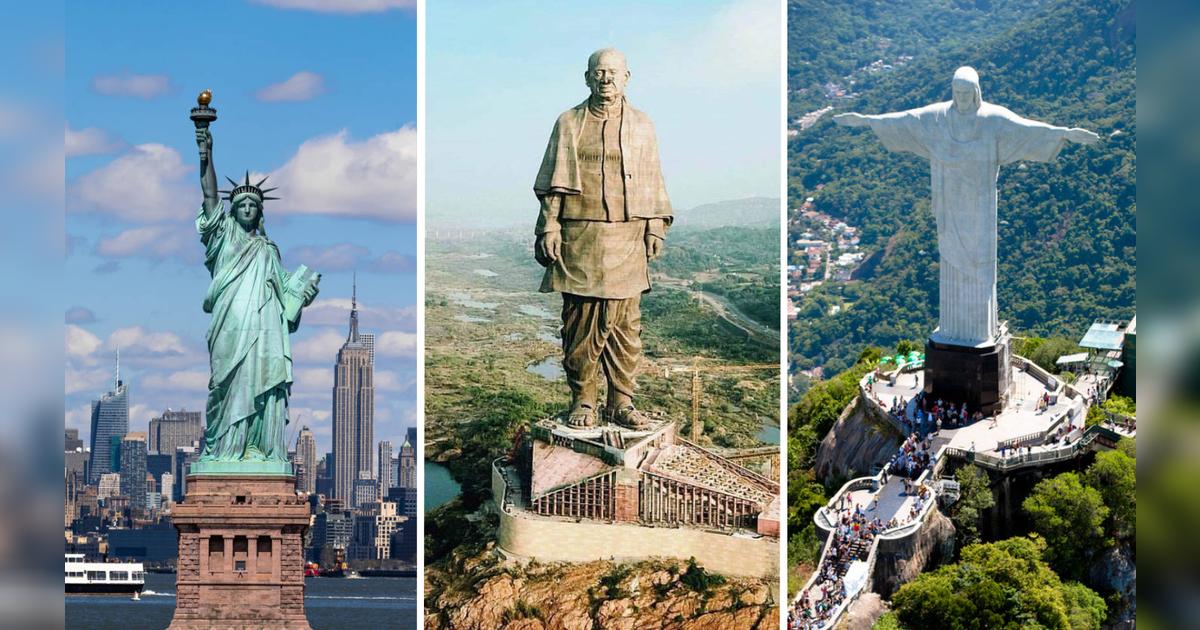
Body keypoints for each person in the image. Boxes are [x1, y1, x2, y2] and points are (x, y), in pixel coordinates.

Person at [533, 48, 673, 428]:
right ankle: (584, 399)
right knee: (581, 321)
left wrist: (655, 224)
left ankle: (621, 401)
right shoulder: (569, 123)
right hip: (582, 235)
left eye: (613, 72)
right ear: (587, 77)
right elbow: (552, 184)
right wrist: (550, 225)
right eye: (599, 72)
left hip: (628, 234)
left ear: (628, 77)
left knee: (626, 324)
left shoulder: (643, 124)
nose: (606, 79)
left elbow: (652, 177)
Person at [192, 125, 320, 464]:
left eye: (253, 204)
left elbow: (285, 299)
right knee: (228, 383)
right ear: (231, 211)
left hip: (265, 331)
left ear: (260, 213)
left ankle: (256, 447)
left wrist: (302, 295)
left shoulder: (268, 250)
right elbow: (208, 197)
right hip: (231, 323)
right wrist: (205, 153)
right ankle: (224, 449)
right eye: (241, 204)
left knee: (261, 385)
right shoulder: (223, 238)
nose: (248, 208)